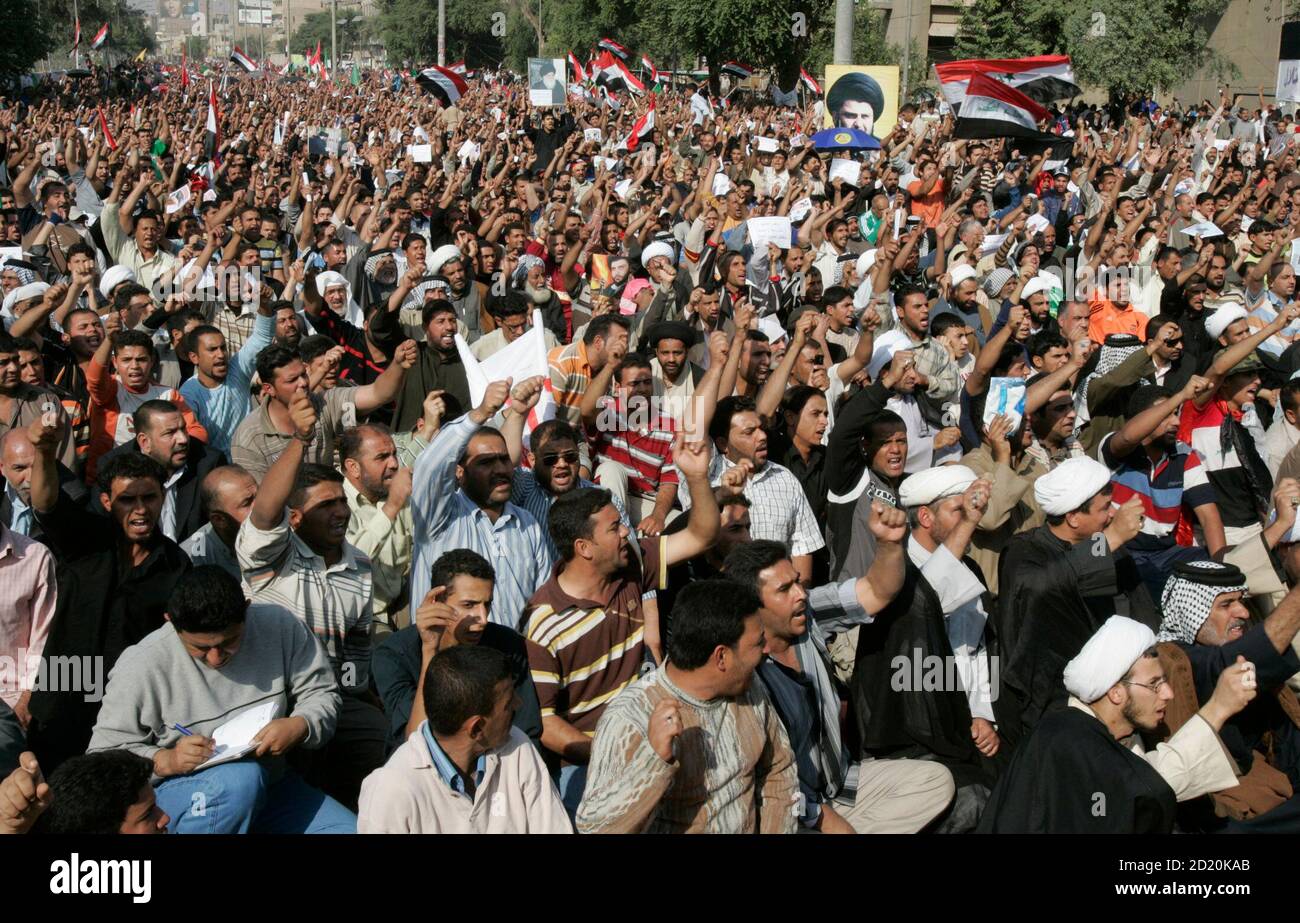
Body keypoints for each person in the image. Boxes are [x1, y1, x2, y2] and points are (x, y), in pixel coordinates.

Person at [726, 506, 958, 834]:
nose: (799, 594)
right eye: (783, 590)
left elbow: (879, 590)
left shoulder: (807, 617)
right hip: (790, 806)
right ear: (751, 608)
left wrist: (890, 545)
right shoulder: (738, 672)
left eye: (796, 582)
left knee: (937, 782)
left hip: (841, 784)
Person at [524, 434, 721, 814]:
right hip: (589, 767)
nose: (625, 533)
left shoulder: (631, 564)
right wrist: (614, 751)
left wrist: (696, 478)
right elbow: (546, 723)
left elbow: (702, 535)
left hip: (656, 743)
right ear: (584, 547)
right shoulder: (543, 623)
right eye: (614, 528)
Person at [87, 566, 354, 833]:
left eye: (229, 641)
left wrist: (301, 724)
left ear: (247, 611)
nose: (216, 658)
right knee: (240, 781)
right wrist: (167, 760)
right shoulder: (142, 664)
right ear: (170, 621)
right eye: (200, 648)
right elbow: (101, 759)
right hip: (181, 797)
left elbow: (322, 692)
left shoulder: (280, 626)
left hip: (273, 788)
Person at [236, 389, 387, 809]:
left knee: (385, 744)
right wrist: (300, 441)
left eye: (343, 501)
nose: (341, 512)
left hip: (337, 700)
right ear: (296, 518)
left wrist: (359, 698)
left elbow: (356, 651)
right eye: (326, 505)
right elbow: (265, 512)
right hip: (274, 705)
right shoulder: (273, 556)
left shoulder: (359, 565)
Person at [978, 615, 1253, 833]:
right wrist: (1218, 708)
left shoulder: (1102, 733)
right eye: (1154, 684)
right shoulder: (1069, 738)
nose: (1168, 694)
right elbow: (1145, 791)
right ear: (1116, 692)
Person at [24, 417, 191, 772]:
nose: (141, 509)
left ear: (162, 496)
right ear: (106, 501)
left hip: (129, 709)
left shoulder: (177, 565)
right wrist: (42, 451)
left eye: (149, 497)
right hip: (63, 696)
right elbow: (46, 501)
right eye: (127, 500)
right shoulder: (85, 539)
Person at [576, 579, 798, 833]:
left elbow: (779, 770)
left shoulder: (747, 684)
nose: (767, 649)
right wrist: (653, 761)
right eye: (758, 643)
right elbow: (593, 828)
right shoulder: (630, 718)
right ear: (721, 657)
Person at [997, 456, 1156, 736]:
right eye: (1105, 508)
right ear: (1072, 517)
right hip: (1048, 697)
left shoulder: (1106, 545)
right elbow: (1040, 586)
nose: (1112, 515)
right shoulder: (1024, 551)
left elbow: (1139, 608)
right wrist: (1110, 539)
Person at [359, 645, 569, 833]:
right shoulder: (390, 790)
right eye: (508, 704)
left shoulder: (517, 745)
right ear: (477, 728)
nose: (519, 704)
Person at [1155, 561, 1300, 830]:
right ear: (1190, 611)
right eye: (1225, 604)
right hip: (1228, 809)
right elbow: (1238, 661)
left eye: (1241, 601)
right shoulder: (1175, 660)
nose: (1243, 612)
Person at [410, 377, 550, 631]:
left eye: (504, 460)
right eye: (485, 462)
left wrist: (518, 412)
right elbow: (429, 466)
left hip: (513, 662)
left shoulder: (527, 523)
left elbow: (543, 603)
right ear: (459, 472)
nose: (500, 470)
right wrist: (481, 413)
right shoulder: (439, 518)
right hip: (449, 662)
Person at [374, 549, 541, 755]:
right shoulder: (394, 655)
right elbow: (415, 740)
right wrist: (430, 651)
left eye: (486, 605)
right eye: (468, 605)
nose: (482, 619)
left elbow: (527, 731)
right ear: (437, 602)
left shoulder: (507, 645)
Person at [231, 341, 416, 481]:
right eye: (291, 380)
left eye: (303, 374)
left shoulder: (324, 403)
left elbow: (378, 393)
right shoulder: (249, 438)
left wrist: (397, 365)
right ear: (269, 389)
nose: (303, 383)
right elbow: (259, 504)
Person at [96, 399, 225, 543]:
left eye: (183, 429)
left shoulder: (208, 463)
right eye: (170, 433)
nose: (183, 439)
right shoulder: (113, 469)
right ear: (145, 442)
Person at [339, 424, 413, 635]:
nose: (394, 464)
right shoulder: (335, 504)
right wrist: (391, 508)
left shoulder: (399, 495)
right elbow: (351, 561)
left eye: (394, 454)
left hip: (401, 603)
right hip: (362, 618)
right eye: (382, 457)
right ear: (353, 467)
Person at [180, 465, 259, 579]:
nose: (259, 506)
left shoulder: (277, 527)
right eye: (247, 503)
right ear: (219, 520)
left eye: (259, 495)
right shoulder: (193, 559)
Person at [826, 72, 886, 138]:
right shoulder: (821, 146)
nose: (858, 124)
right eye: (851, 116)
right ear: (835, 117)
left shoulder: (881, 147)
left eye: (865, 116)